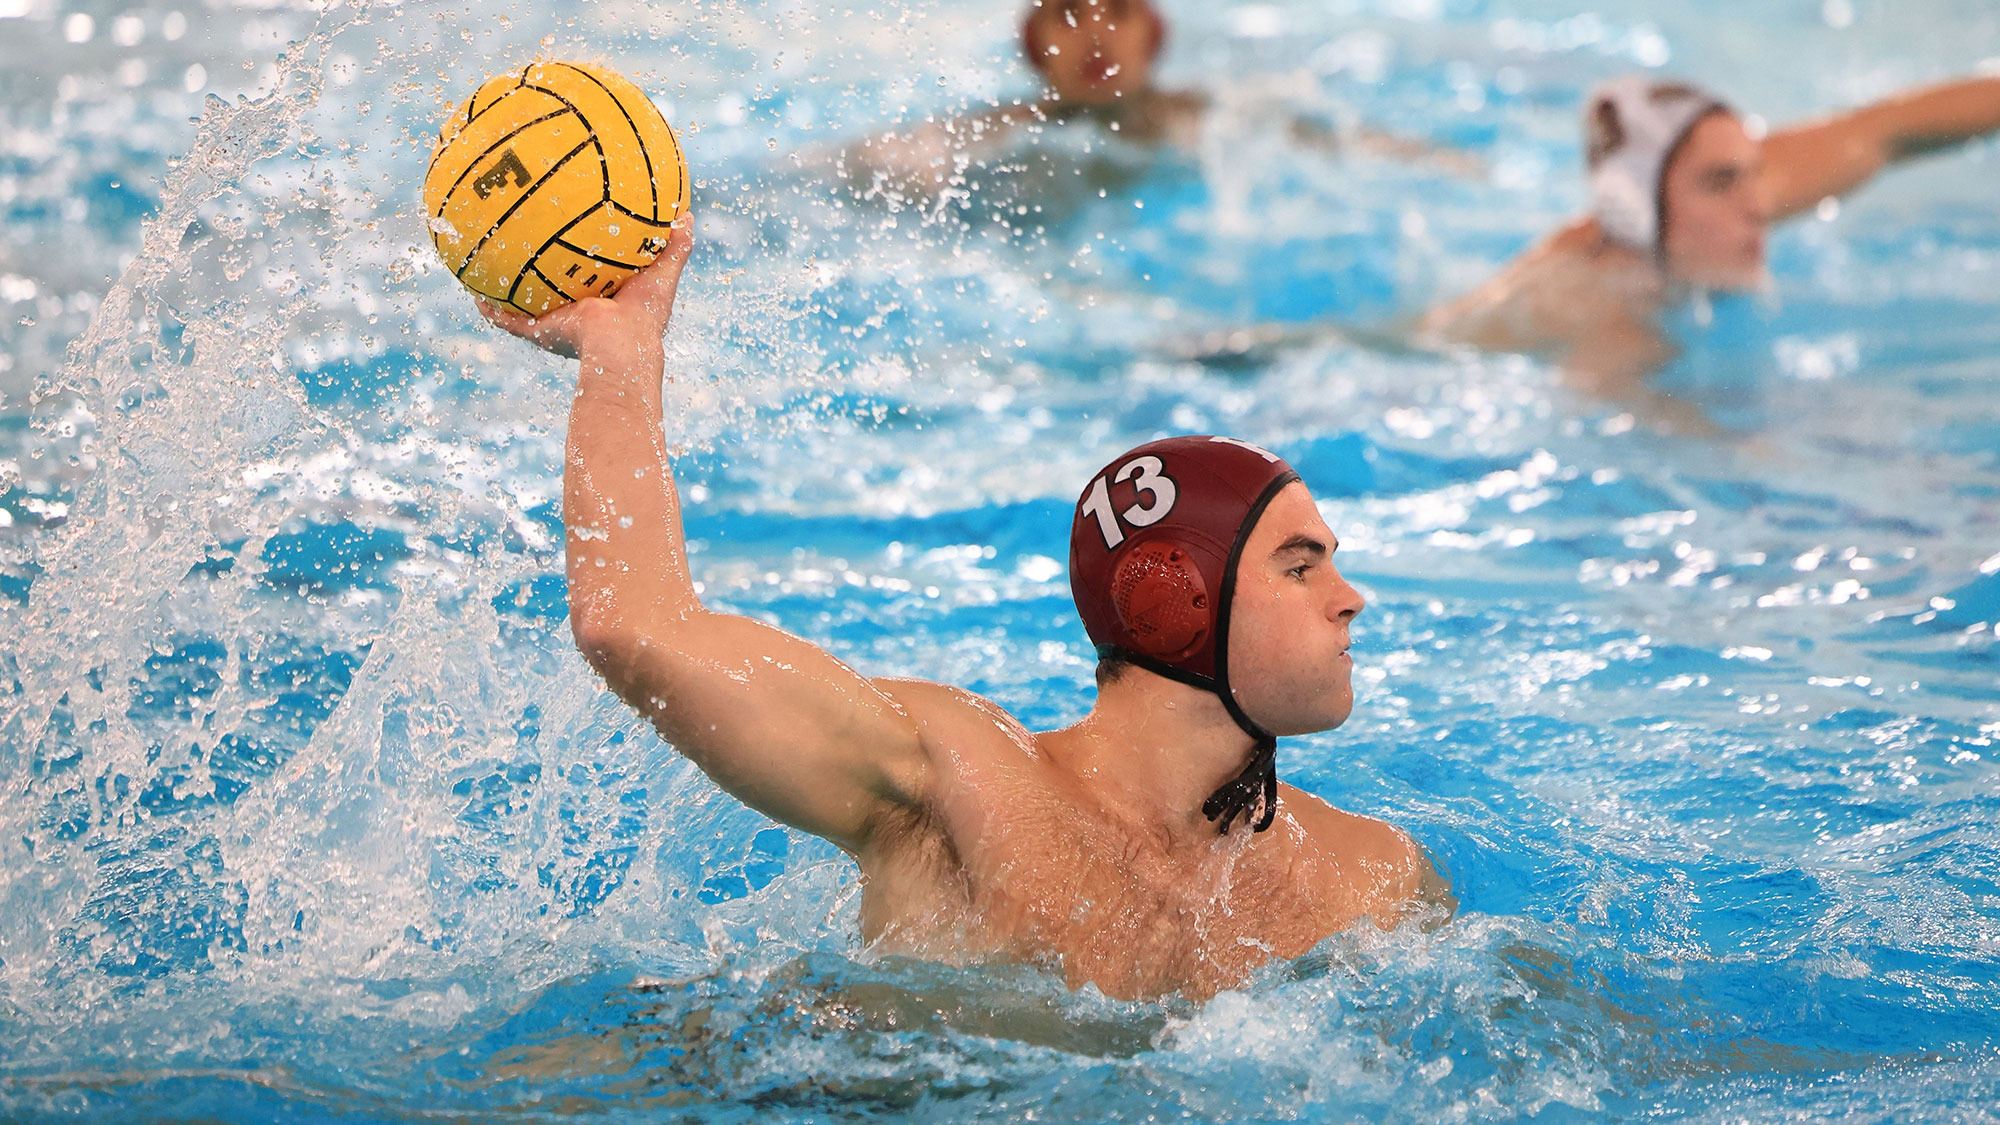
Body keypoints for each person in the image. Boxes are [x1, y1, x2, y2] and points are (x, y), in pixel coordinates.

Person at [476, 224, 1453, 1003]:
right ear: (1173, 600)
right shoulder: (952, 784)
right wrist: (621, 354)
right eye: (1299, 566)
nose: (1350, 598)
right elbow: (634, 627)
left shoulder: (1373, 880)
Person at [1419, 73, 2000, 427]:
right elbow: (1656, 438)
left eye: (1753, 172)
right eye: (1721, 182)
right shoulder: (1599, 309)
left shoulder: (1714, 207)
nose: (1759, 206)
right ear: (1637, 211)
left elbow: (1889, 130)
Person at [843, 0, 1475, 202]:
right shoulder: (998, 132)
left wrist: (1442, 161)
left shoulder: (1208, 117)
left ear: (1152, 34)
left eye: (1117, 10)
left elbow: (1334, 138)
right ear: (1034, 42)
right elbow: (866, 162)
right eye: (1069, 12)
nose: (1095, 35)